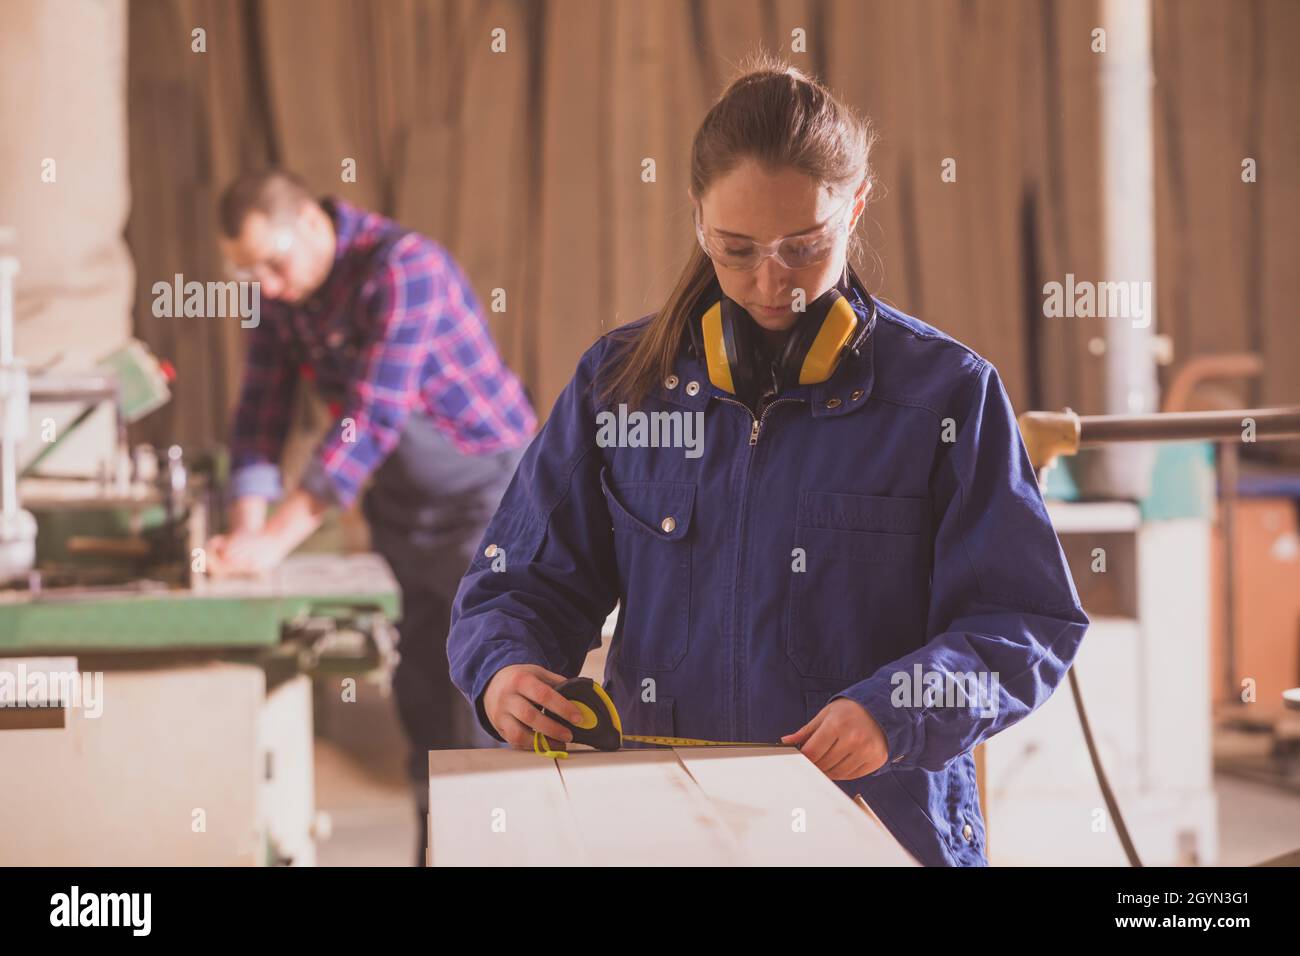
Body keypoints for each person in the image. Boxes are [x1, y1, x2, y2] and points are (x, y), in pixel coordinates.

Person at [446, 59, 1088, 866]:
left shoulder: (947, 398)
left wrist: (899, 711)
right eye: (737, 249)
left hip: (879, 830)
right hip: (663, 824)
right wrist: (507, 672)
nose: (769, 284)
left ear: (855, 208)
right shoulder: (621, 388)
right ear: (697, 221)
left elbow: (1025, 620)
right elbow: (519, 583)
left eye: (802, 247)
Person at [206, 169, 535, 864]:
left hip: (488, 494)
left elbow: (370, 419)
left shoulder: (404, 268)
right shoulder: (283, 300)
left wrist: (274, 542)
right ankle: (434, 855)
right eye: (247, 271)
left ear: (315, 224)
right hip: (403, 506)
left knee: (477, 698)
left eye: (273, 261)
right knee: (418, 697)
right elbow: (259, 417)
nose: (263, 283)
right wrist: (244, 531)